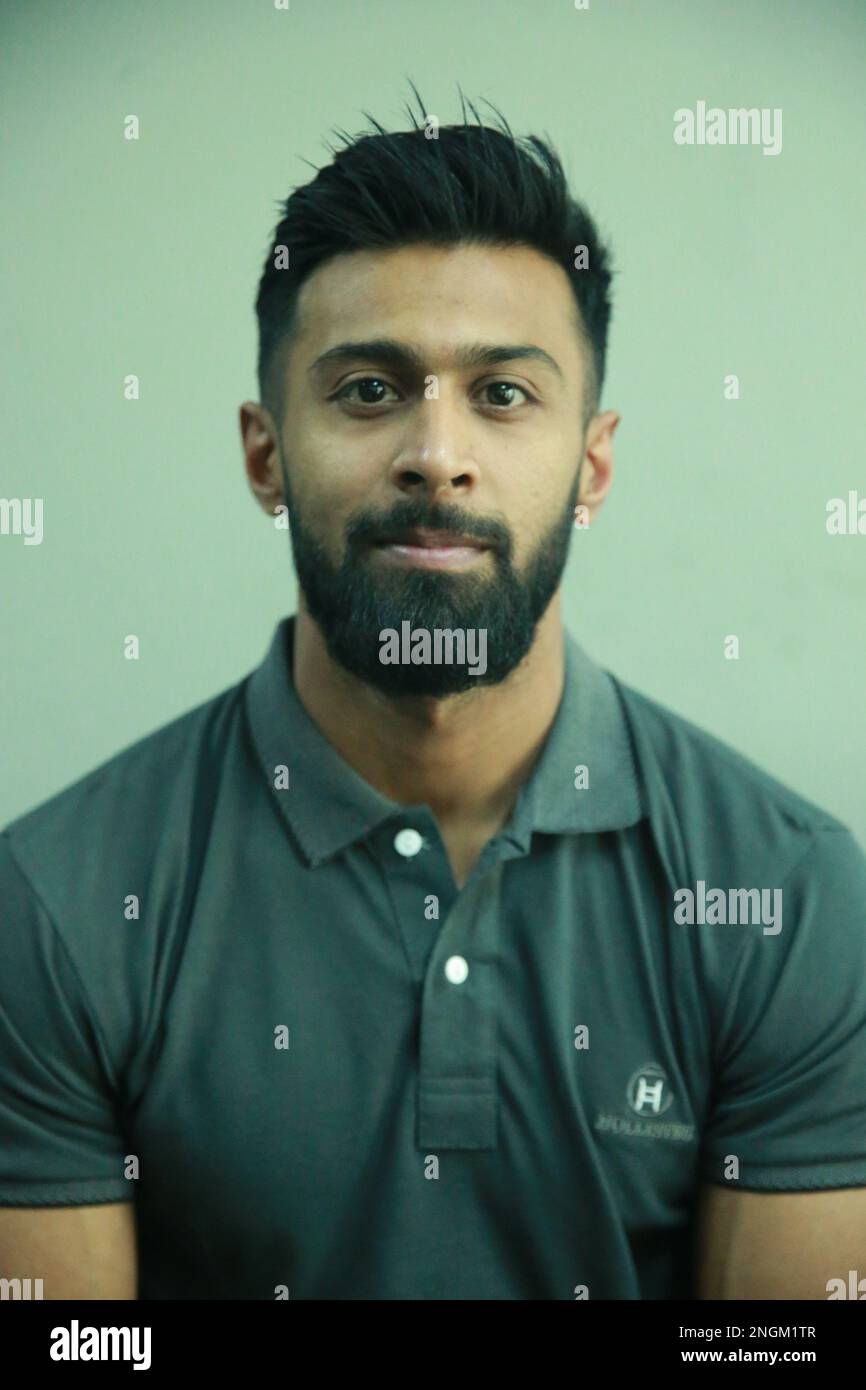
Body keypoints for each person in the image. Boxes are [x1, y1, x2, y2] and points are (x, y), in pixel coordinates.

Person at [2, 94, 865, 1301]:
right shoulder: (55, 904)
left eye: (502, 395)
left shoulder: (787, 895)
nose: (435, 452)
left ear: (591, 466)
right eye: (367, 389)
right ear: (265, 454)